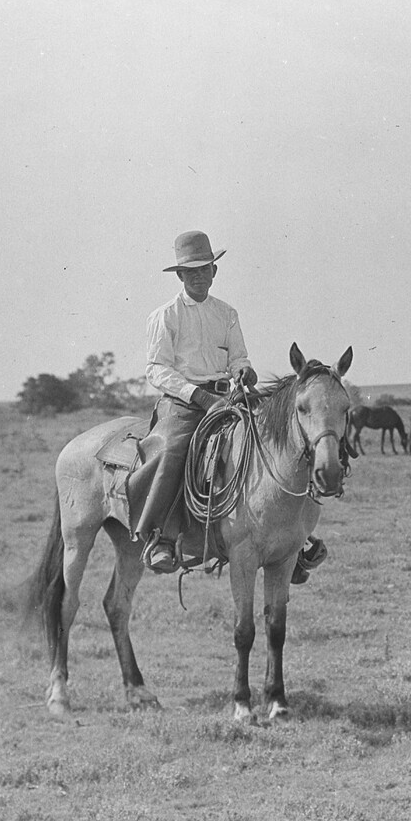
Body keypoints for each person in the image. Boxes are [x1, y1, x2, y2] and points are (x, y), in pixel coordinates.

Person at [134, 230, 258, 573]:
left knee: (271, 433)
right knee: (175, 448)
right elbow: (157, 369)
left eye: (205, 269)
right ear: (180, 276)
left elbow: (238, 356)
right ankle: (161, 536)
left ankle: (286, 534)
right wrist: (197, 395)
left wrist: (244, 371)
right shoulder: (166, 315)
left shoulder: (227, 313)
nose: (199, 277)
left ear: (214, 272)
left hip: (225, 396)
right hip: (183, 401)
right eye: (192, 272)